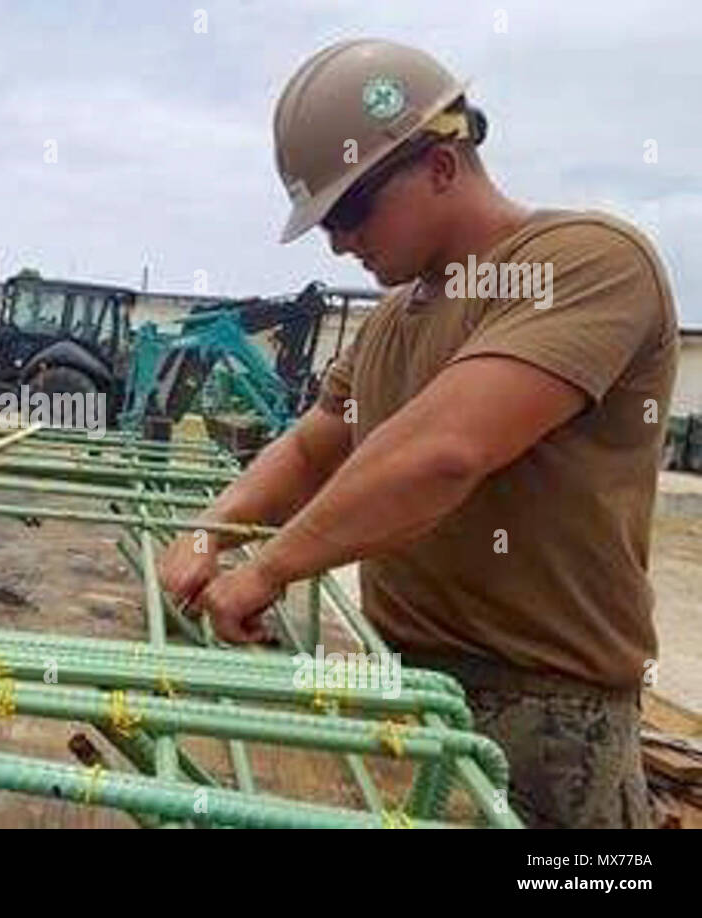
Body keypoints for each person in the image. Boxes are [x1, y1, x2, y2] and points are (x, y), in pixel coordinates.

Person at [159, 39, 678, 828]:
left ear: (440, 164)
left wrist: (268, 569)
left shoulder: (587, 263)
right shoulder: (393, 318)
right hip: (404, 680)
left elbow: (444, 454)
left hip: (546, 716)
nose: (339, 242)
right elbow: (314, 444)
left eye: (349, 212)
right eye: (324, 224)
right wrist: (213, 529)